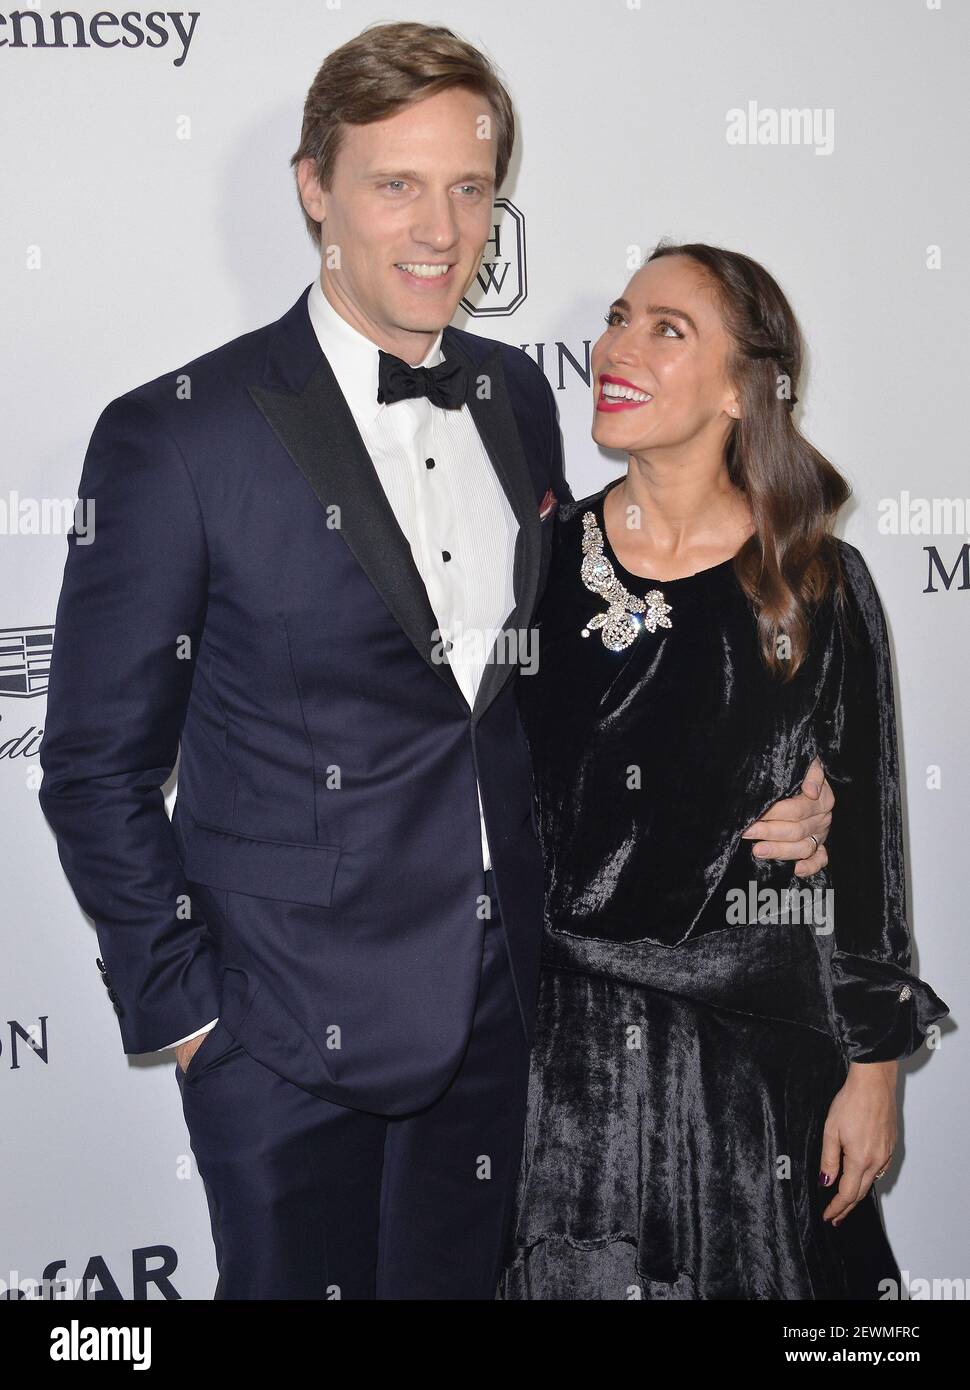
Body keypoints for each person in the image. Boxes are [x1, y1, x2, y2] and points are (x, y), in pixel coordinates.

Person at [38, 26, 834, 1300]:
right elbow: (91, 765)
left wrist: (770, 782)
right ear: (316, 190)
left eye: (468, 189)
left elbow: (563, 692)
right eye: (393, 184)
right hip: (285, 1037)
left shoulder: (516, 397)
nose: (438, 227)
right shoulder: (174, 439)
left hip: (507, 1013)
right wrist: (194, 1022)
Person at [498, 241, 950, 1301]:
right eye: (618, 316)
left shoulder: (814, 581)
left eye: (666, 328)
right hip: (556, 1067)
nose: (617, 344)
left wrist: (874, 1066)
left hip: (751, 1073)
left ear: (745, 390)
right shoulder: (534, 561)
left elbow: (868, 851)